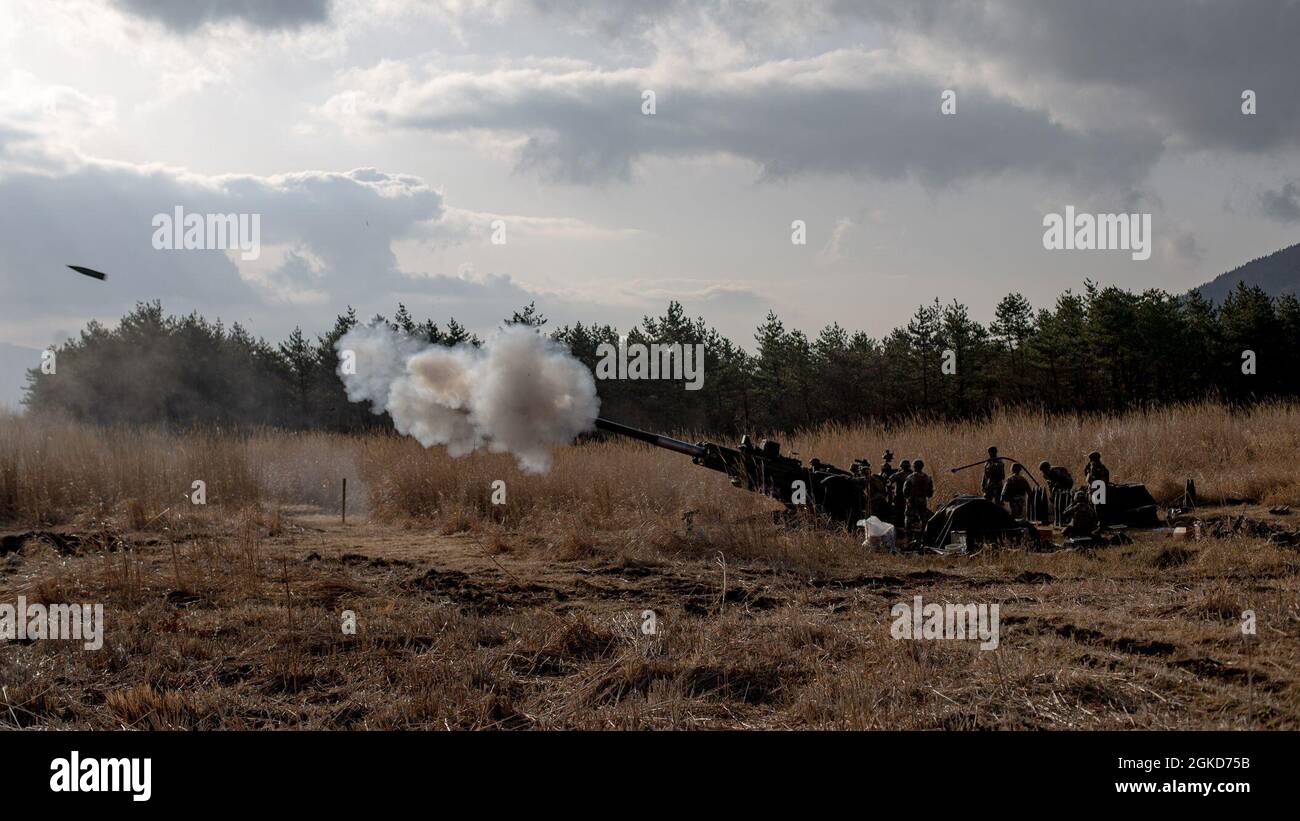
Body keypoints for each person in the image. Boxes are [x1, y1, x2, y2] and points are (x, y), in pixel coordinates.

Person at [902, 458, 934, 539]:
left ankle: (909, 537)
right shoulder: (928, 478)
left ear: (914, 467)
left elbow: (905, 491)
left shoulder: (910, 477)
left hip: (912, 501)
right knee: (923, 519)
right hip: (922, 501)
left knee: (908, 518)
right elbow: (930, 493)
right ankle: (923, 537)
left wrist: (908, 499)